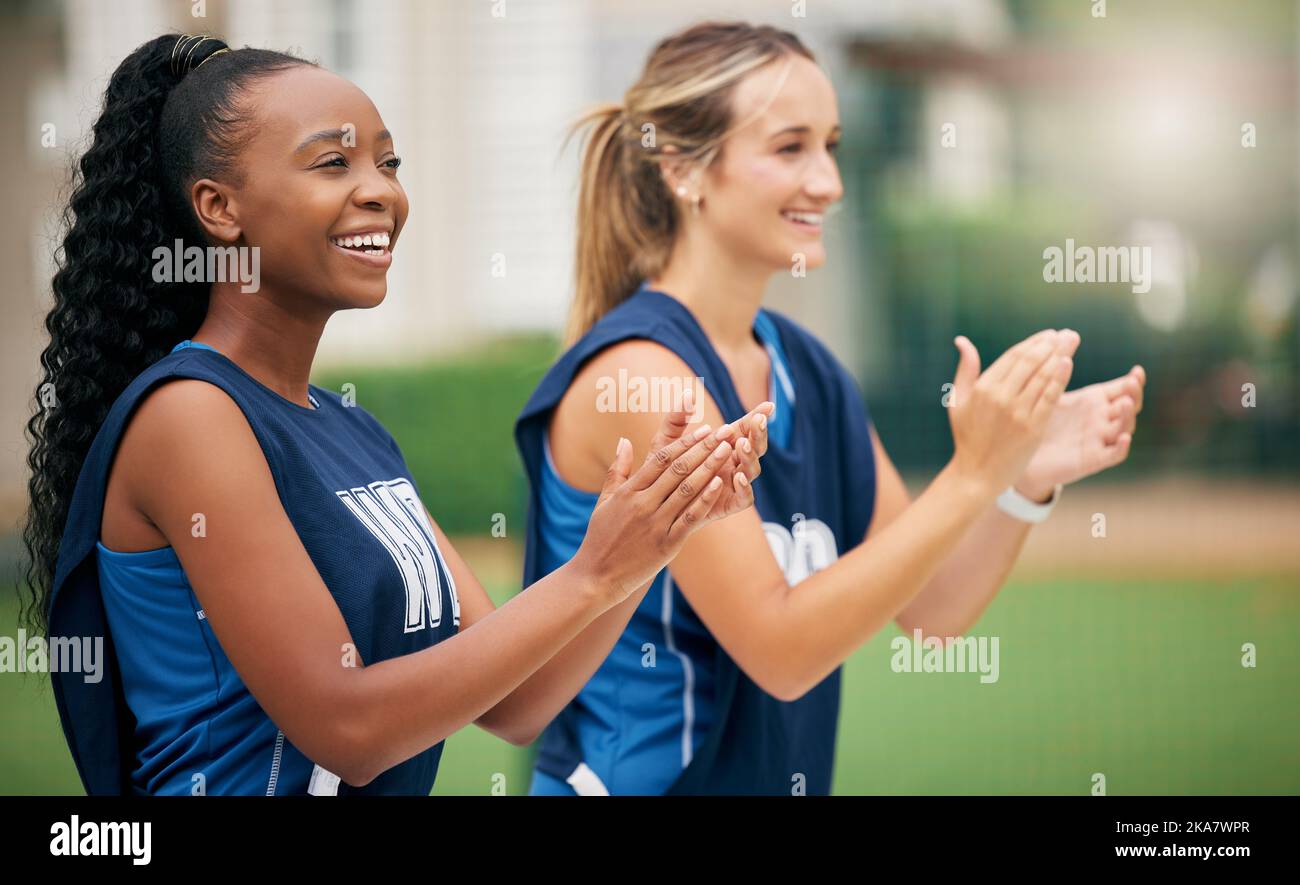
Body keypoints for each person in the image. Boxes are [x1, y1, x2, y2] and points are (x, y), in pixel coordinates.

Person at [19, 33, 768, 796]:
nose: (381, 190)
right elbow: (348, 729)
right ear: (219, 208)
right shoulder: (189, 417)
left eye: (389, 162)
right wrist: (592, 569)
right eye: (332, 162)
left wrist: (647, 543)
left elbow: (519, 702)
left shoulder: (356, 431)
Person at [515, 21, 1147, 795]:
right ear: (685, 170)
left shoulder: (808, 372)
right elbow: (780, 649)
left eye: (832, 146)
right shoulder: (647, 379)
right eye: (790, 148)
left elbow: (933, 609)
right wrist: (973, 473)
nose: (829, 182)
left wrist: (1019, 479)